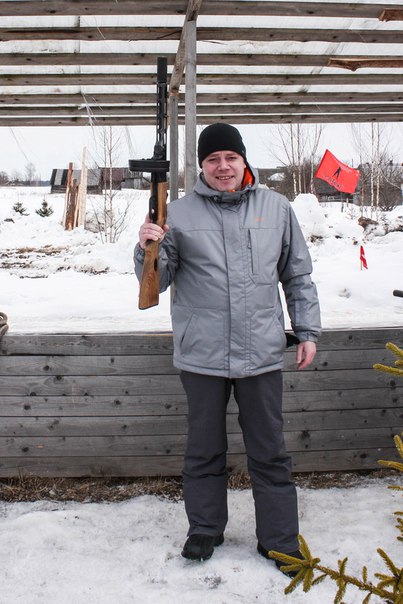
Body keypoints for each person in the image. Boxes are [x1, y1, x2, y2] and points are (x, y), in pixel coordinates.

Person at [134, 123, 321, 572]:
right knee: (203, 449)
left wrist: (307, 331)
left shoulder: (277, 208)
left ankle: (279, 540)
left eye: (230, 158)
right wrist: (146, 248)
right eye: (213, 159)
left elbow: (297, 275)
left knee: (270, 451)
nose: (223, 167)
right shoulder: (177, 213)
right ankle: (204, 529)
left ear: (243, 160)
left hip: (261, 353)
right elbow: (159, 280)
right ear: (201, 166)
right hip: (202, 355)